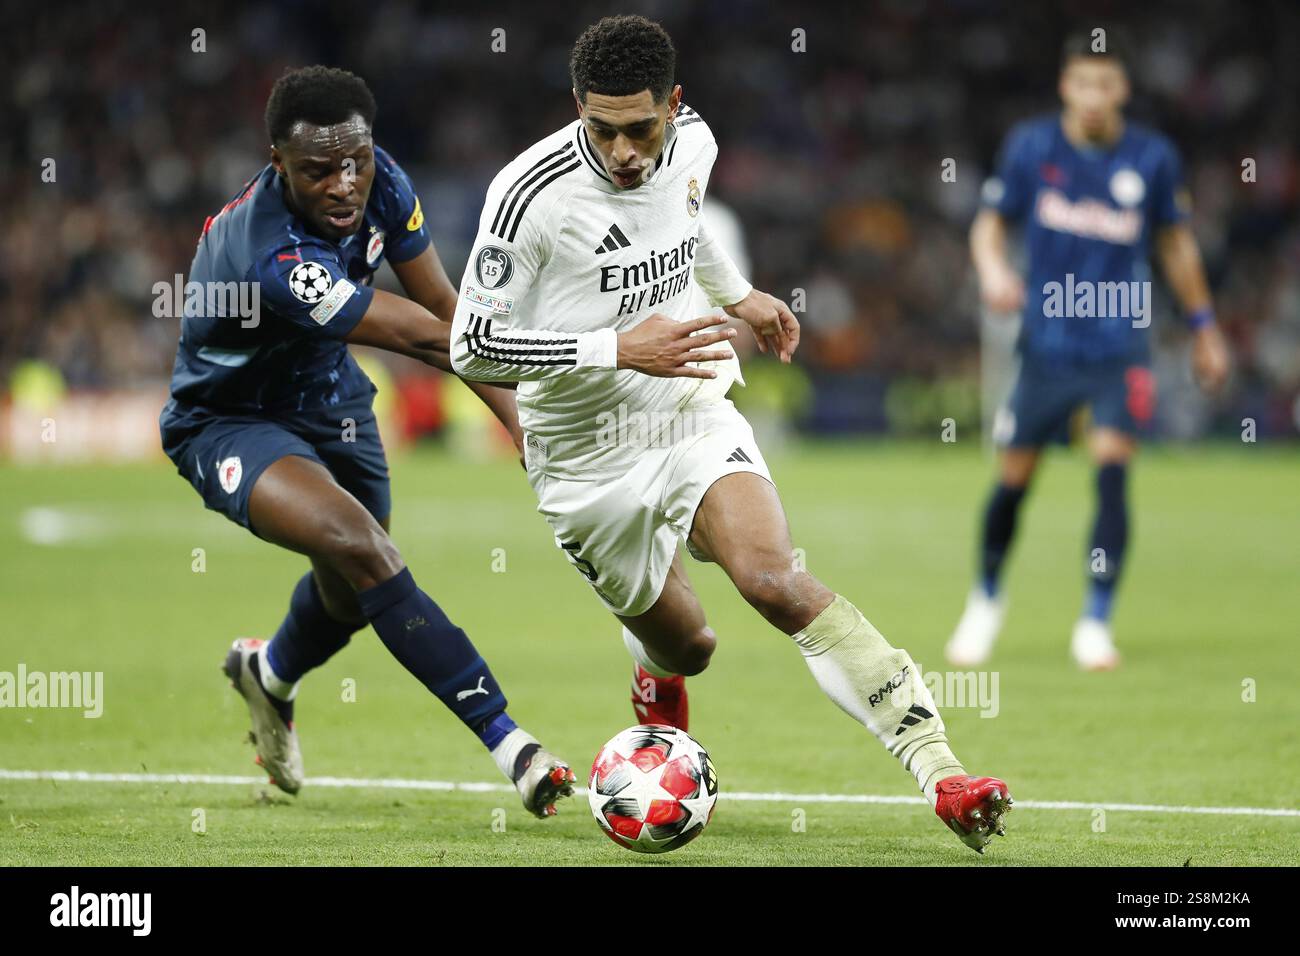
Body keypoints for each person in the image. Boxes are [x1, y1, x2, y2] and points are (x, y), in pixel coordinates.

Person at [448, 15, 1012, 852]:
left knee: (774, 579)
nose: (624, 152)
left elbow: (682, 222)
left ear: (675, 106)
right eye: (601, 131)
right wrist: (615, 346)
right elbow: (471, 345)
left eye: (641, 129)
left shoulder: (694, 147)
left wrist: (738, 292)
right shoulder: (528, 196)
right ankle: (654, 674)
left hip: (687, 404)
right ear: (577, 110)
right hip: (581, 454)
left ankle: (942, 772)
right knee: (690, 645)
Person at [159, 66, 576, 817]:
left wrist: (515, 419)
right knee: (366, 550)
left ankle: (269, 673)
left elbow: (446, 306)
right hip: (229, 419)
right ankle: (510, 743)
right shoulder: (271, 252)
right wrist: (578, 355)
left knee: (354, 593)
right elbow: (419, 336)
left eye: (355, 160)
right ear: (277, 163)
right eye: (320, 170)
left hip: (332, 400)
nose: (345, 183)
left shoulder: (382, 177)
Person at [949, 33, 1231, 671]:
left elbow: (1176, 245)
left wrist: (1205, 326)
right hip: (1045, 345)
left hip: (1118, 345)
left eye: (1106, 85)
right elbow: (990, 223)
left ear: (1122, 90)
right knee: (1013, 481)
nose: (1095, 97)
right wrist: (993, 272)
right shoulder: (1032, 147)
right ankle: (985, 600)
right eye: (1083, 84)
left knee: (1111, 472)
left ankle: (1096, 620)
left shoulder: (1152, 158)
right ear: (1065, 87)